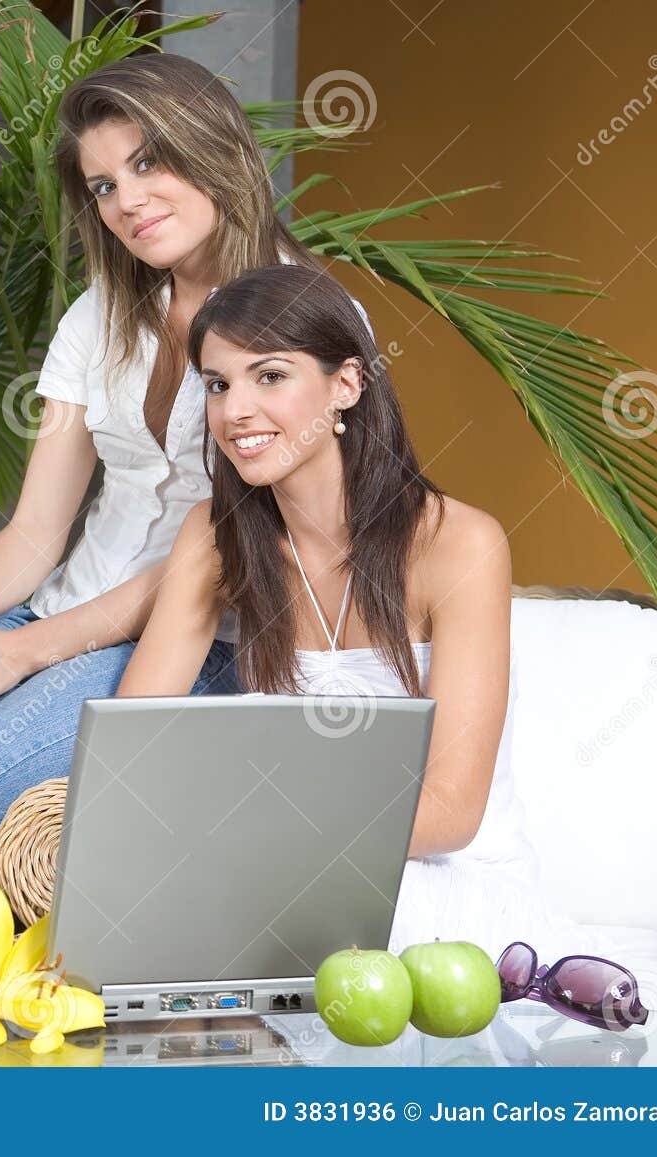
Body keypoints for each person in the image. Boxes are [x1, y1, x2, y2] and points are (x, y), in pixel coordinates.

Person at [0, 54, 376, 975]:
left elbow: (227, 555)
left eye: (149, 163)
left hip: (194, 648)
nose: (127, 200)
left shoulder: (304, 314)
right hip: (55, 612)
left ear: (213, 146)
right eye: (105, 184)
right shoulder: (100, 316)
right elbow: (36, 529)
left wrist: (29, 649)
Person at [116, 259, 545, 956]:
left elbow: (453, 810)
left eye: (271, 376)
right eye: (218, 384)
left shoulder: (461, 544)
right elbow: (131, 752)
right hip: (280, 871)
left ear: (346, 384)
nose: (235, 410)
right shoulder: (215, 534)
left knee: (284, 926)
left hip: (442, 884)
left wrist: (255, 833)